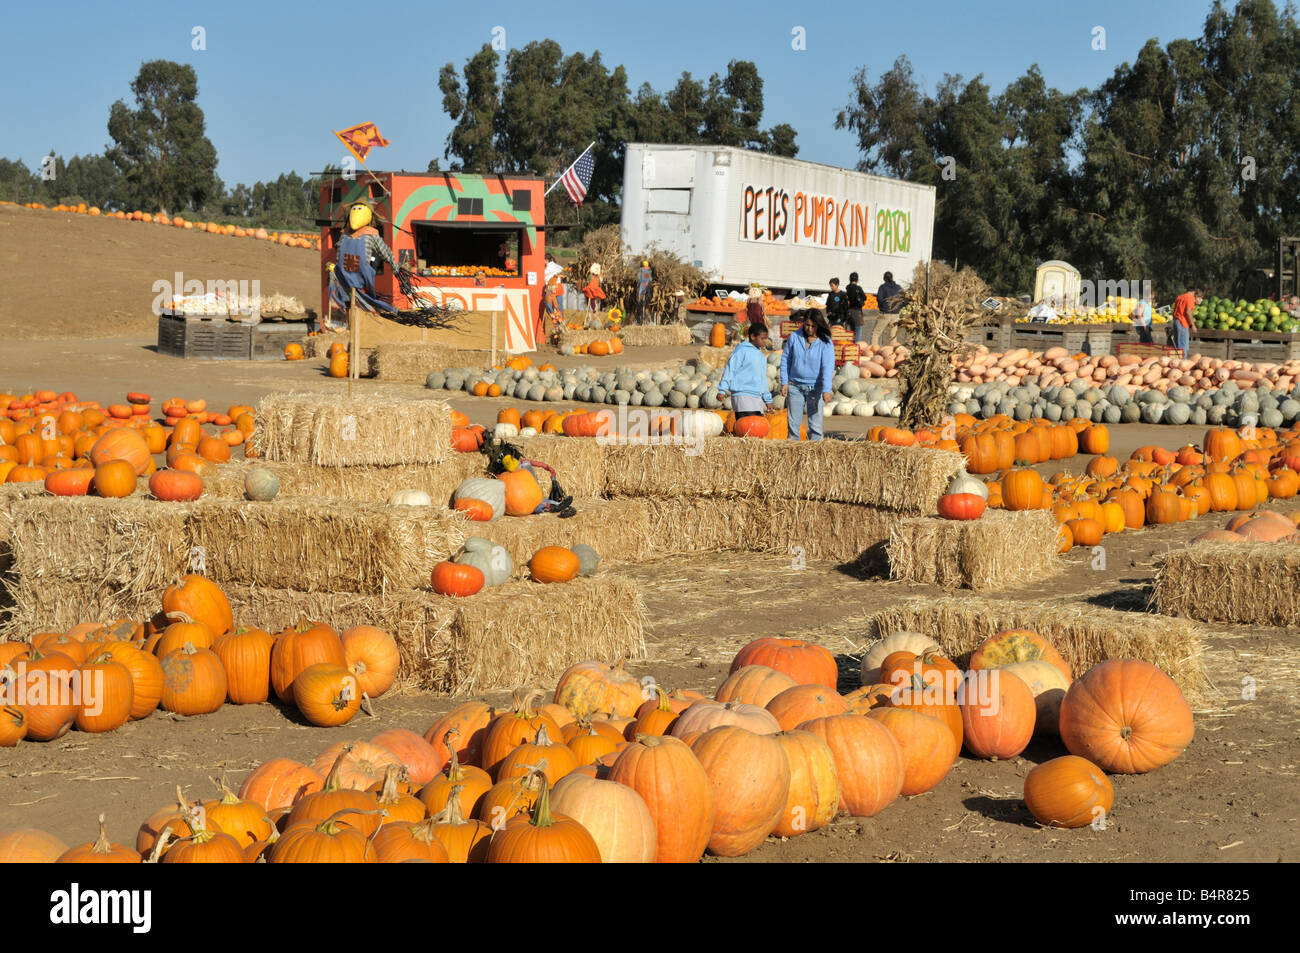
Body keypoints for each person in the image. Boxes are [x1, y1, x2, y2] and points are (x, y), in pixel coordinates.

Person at [327, 200, 402, 327]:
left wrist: (394, 266)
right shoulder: (351, 236)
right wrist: (394, 266)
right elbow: (386, 253)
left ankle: (360, 323)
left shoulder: (346, 235)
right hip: (350, 280)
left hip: (352, 281)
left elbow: (338, 252)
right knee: (361, 304)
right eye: (354, 209)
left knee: (359, 304)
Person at [780, 309, 834, 442]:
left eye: (813, 326)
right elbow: (785, 359)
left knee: (815, 425)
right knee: (793, 425)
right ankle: (792, 453)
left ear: (819, 325)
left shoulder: (825, 342)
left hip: (815, 387)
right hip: (795, 386)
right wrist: (784, 382)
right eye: (806, 325)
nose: (809, 328)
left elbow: (827, 366)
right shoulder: (794, 337)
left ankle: (815, 452)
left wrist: (826, 389)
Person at [718, 323, 774, 421]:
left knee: (756, 429)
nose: (765, 341)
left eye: (766, 338)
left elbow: (762, 379)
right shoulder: (741, 351)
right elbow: (730, 370)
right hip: (742, 396)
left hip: (756, 397)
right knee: (746, 427)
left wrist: (767, 399)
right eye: (762, 338)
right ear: (752, 336)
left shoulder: (761, 356)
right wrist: (722, 390)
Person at [1172, 287, 1202, 357]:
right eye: (1200, 297)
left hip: (1176, 321)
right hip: (1183, 322)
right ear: (1195, 293)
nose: (1200, 299)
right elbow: (1188, 312)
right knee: (1183, 346)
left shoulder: (1179, 297)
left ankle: (1176, 362)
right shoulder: (1190, 298)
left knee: (1177, 345)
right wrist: (1193, 325)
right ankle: (1182, 363)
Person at [845, 271, 867, 343]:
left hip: (849, 311)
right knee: (858, 332)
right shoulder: (858, 288)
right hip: (857, 312)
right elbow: (864, 297)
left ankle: (850, 349)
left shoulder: (848, 288)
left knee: (852, 332)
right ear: (857, 280)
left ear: (849, 279)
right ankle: (856, 349)